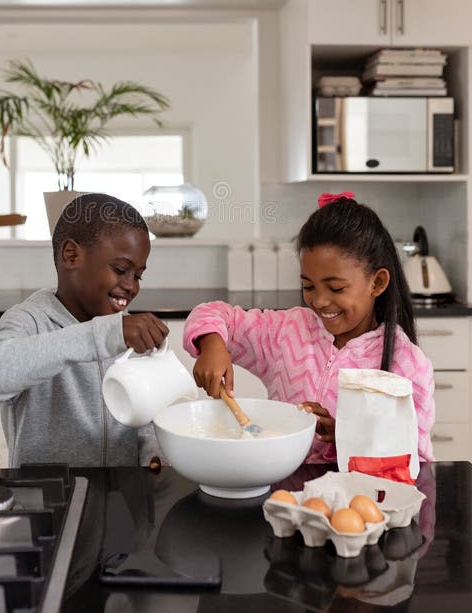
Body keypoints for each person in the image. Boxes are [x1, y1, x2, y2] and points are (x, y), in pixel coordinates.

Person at [183, 192, 434, 464]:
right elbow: (213, 313)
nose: (320, 300)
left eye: (336, 288)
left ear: (377, 283)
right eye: (308, 286)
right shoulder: (287, 332)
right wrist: (212, 344)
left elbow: (416, 460)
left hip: (359, 500)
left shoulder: (406, 362)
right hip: (284, 495)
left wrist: (343, 436)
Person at [0, 192, 169, 467]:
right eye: (121, 269)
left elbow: (143, 418)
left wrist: (152, 454)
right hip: (48, 502)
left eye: (138, 275)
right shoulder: (31, 320)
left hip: (121, 500)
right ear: (71, 255)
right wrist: (102, 336)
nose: (132, 285)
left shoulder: (125, 330)